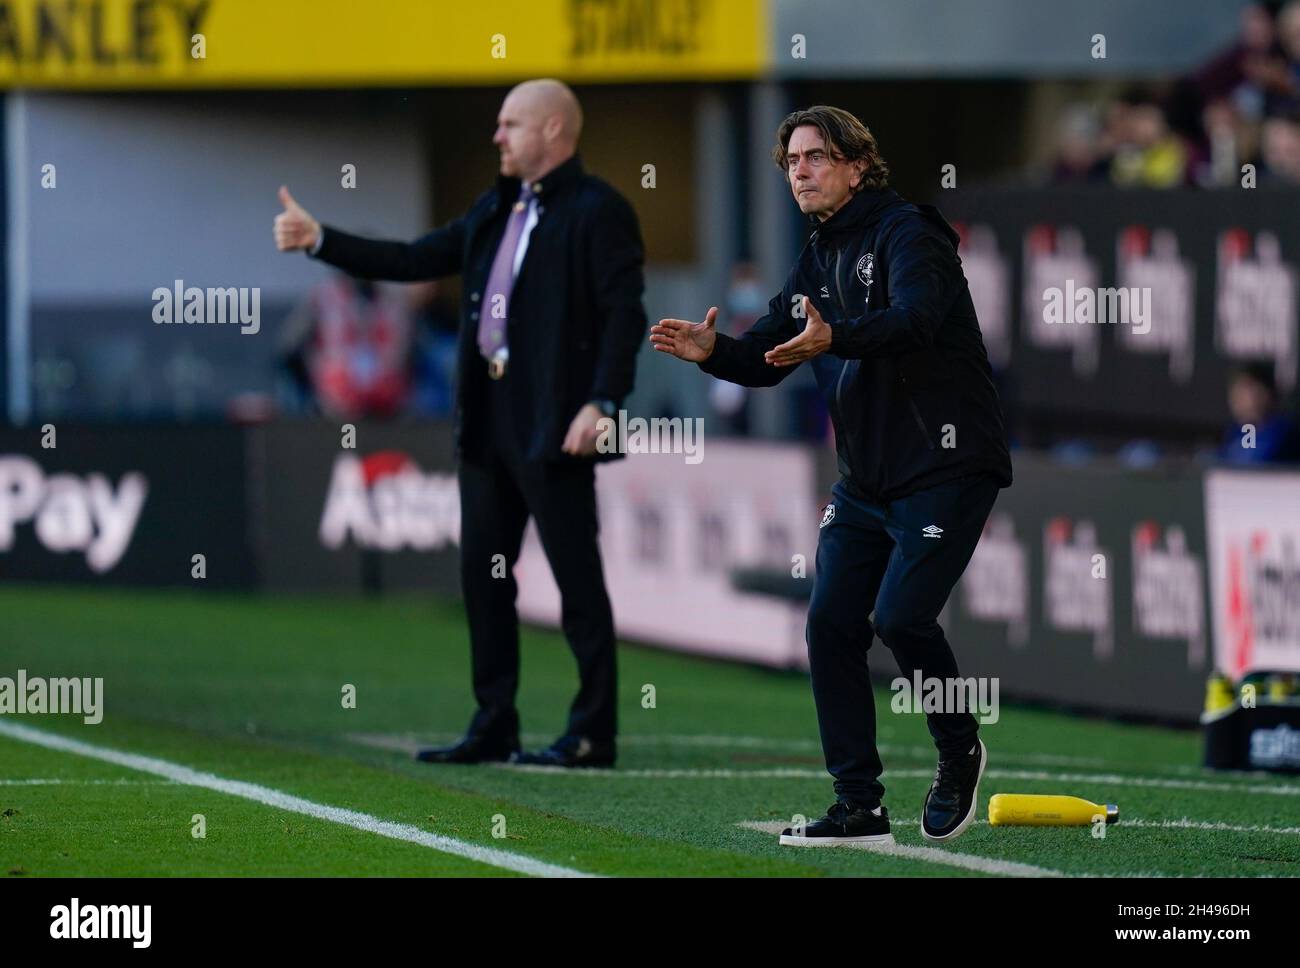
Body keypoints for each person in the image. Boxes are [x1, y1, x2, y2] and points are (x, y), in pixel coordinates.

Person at [651, 106, 1012, 845]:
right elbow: (768, 357)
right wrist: (713, 352)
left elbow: (915, 320)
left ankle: (958, 749)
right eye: (791, 161)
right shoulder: (818, 256)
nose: (801, 172)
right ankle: (859, 806)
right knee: (829, 623)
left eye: (816, 156)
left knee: (901, 618)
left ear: (857, 165)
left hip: (945, 465)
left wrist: (832, 337)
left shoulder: (910, 232)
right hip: (866, 482)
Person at [274, 79, 647, 768]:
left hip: (556, 421)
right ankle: (494, 722)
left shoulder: (599, 211)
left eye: (511, 124)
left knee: (577, 581)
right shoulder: (496, 206)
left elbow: (624, 313)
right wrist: (320, 239)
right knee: (484, 576)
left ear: (554, 130)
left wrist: (603, 401)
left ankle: (593, 731)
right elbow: (415, 258)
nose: (497, 136)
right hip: (487, 420)